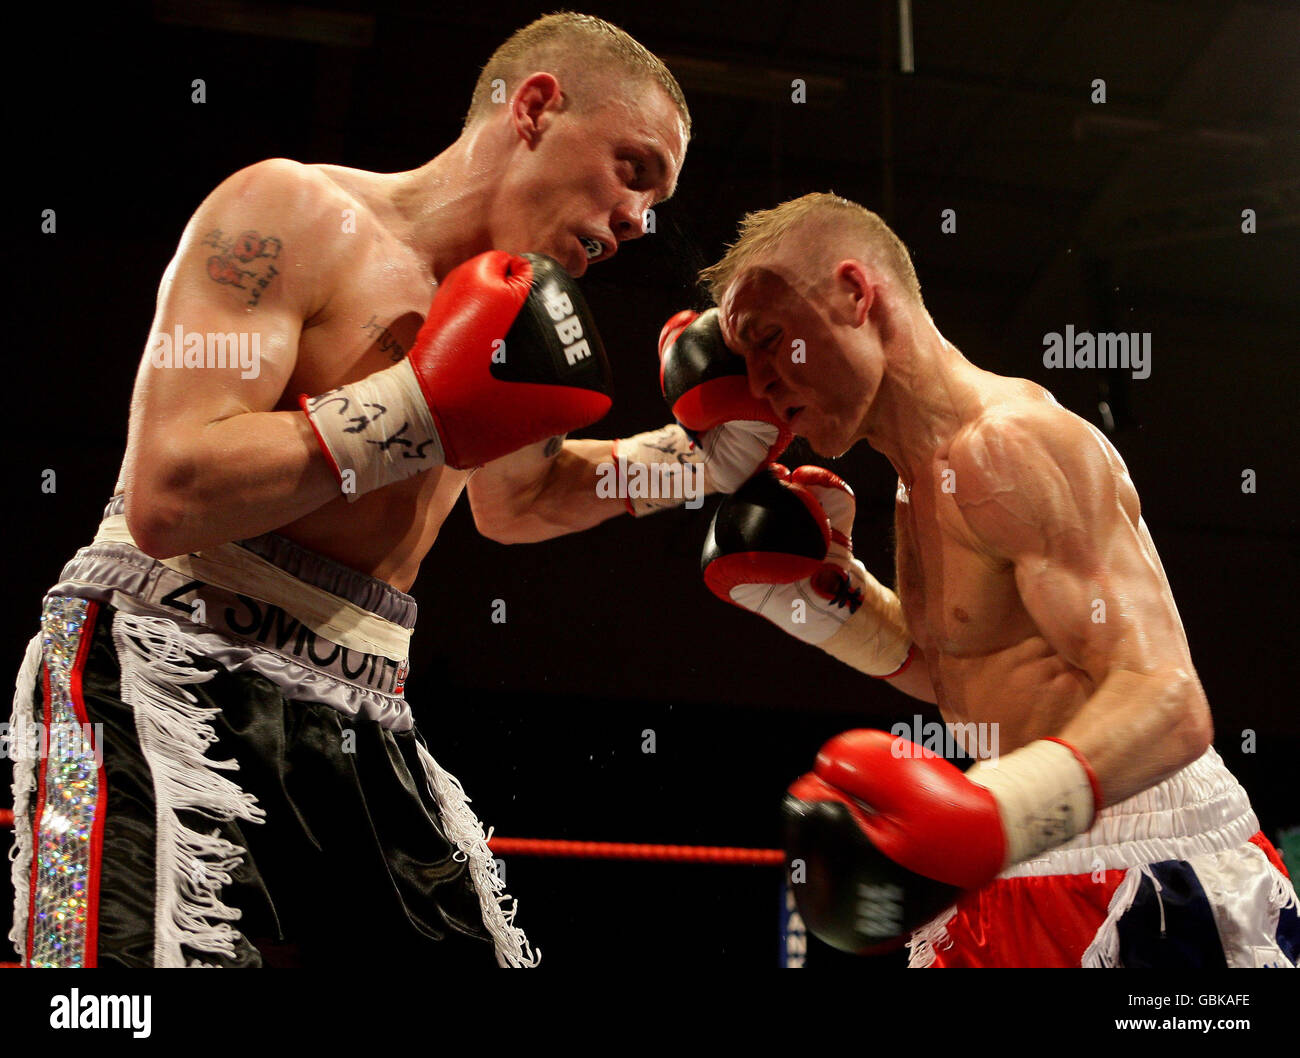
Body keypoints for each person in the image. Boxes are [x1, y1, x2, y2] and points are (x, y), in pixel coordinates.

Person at [9, 12, 698, 969]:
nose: (639, 219)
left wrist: (699, 460)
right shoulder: (293, 211)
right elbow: (169, 492)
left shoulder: (517, 313)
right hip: (165, 661)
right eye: (635, 169)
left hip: (363, 702)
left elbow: (522, 499)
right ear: (536, 106)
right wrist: (413, 407)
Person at [696, 192, 1299, 968]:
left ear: (855, 292)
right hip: (1014, 855)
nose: (761, 383)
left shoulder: (1011, 445)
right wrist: (830, 603)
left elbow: (1169, 699)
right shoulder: (918, 481)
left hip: (1141, 862)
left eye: (771, 340)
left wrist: (992, 813)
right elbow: (957, 670)